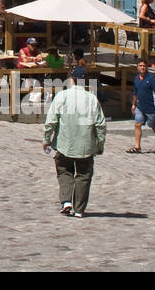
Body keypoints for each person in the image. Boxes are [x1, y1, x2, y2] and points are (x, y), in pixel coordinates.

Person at [43, 74, 107, 218]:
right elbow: (100, 125)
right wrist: (100, 144)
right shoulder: (91, 99)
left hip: (64, 143)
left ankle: (66, 201)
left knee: (64, 171)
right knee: (84, 175)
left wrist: (46, 139)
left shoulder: (61, 96)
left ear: (71, 81)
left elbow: (51, 121)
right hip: (86, 145)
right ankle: (79, 209)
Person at [127, 60, 155, 154]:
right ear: (137, 67)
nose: (142, 67)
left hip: (151, 107)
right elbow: (135, 93)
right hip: (140, 106)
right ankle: (137, 146)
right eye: (140, 66)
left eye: (144, 66)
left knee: (154, 126)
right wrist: (133, 104)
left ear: (147, 67)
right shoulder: (136, 78)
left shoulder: (151, 79)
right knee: (137, 124)